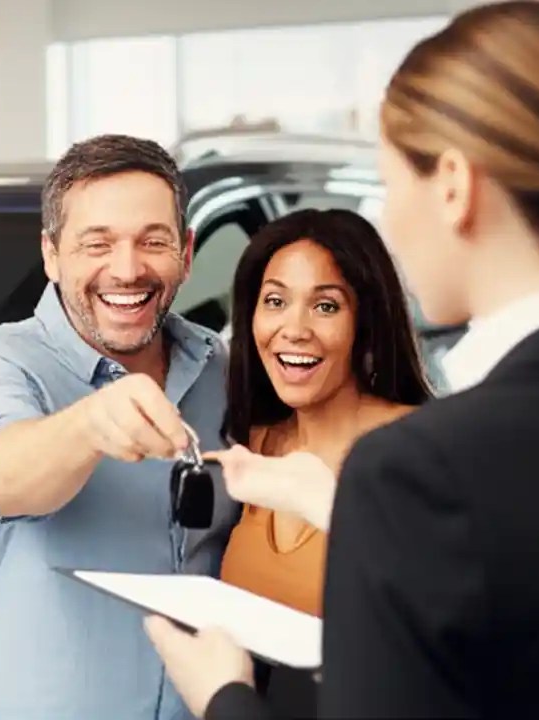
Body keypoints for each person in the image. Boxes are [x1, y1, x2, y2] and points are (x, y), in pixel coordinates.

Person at [144, 1, 539, 717]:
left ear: (453, 187)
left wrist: (224, 696)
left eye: (391, 186)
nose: (393, 226)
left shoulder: (421, 471)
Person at [0, 134, 240, 719]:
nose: (126, 270)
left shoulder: (222, 370)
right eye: (96, 244)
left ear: (186, 251)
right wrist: (90, 425)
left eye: (152, 242)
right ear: (51, 255)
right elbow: (3, 477)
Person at [213, 209, 434, 716]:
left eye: (326, 307)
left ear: (367, 324)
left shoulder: (418, 449)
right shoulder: (255, 443)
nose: (294, 329)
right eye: (275, 301)